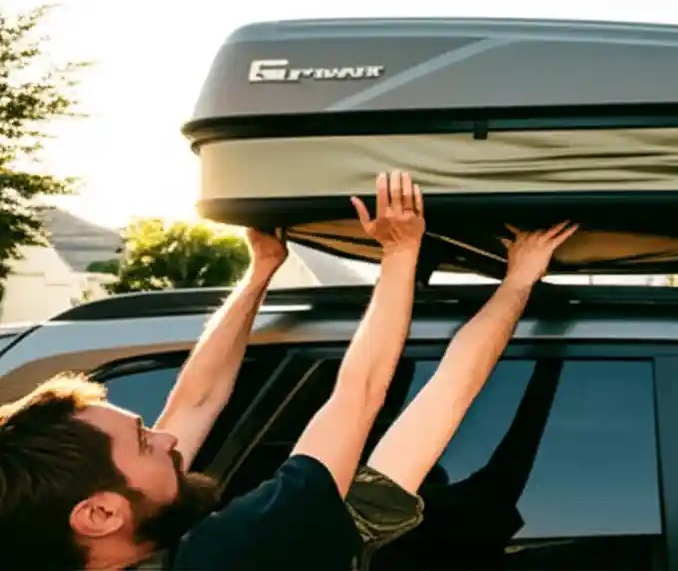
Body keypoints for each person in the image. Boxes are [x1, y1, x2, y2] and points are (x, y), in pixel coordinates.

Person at [0, 170, 576, 571]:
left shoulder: (117, 535)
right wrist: (401, 254)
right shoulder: (244, 548)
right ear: (99, 514)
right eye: (146, 443)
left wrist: (260, 273)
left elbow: (195, 401)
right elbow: (362, 395)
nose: (167, 435)